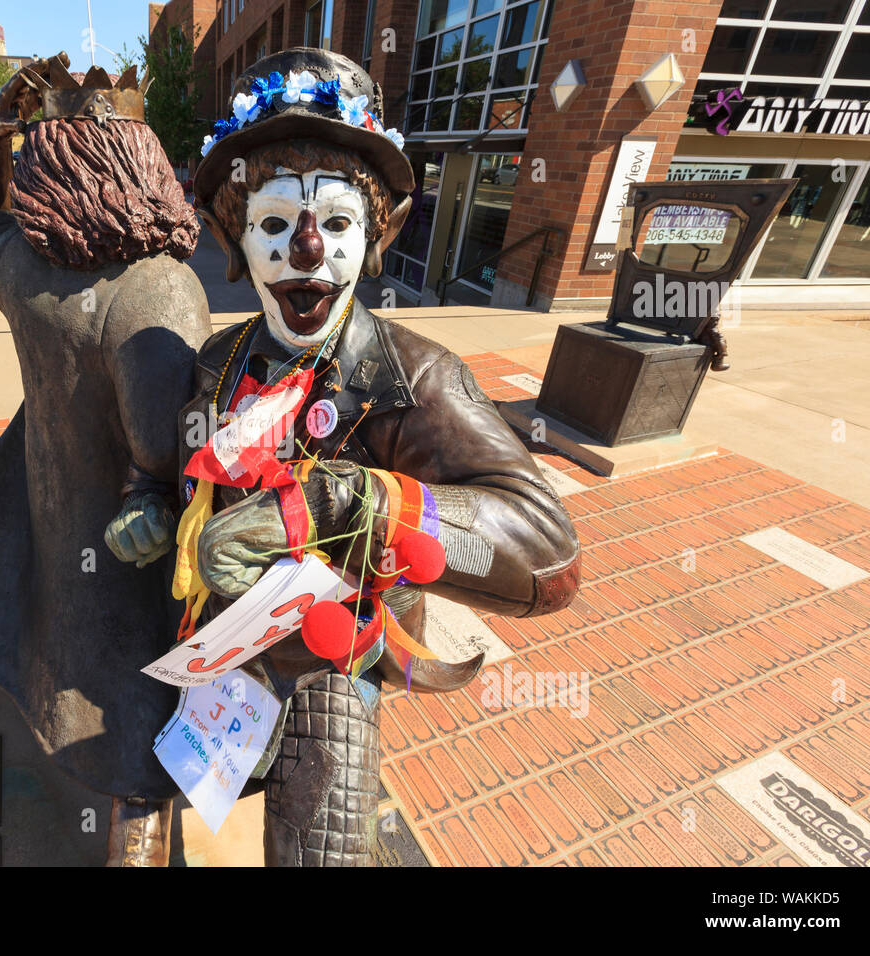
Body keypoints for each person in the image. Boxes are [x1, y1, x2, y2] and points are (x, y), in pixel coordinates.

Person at [174, 48, 581, 866]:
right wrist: (156, 514)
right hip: (217, 648)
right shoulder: (217, 363)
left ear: (378, 236)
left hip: (337, 654)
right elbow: (186, 477)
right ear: (235, 237)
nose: (309, 250)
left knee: (320, 849)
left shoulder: (419, 376)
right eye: (276, 222)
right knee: (175, 793)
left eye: (337, 223)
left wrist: (356, 503)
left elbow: (550, 553)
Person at [0, 55, 212, 865]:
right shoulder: (159, 290)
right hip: (133, 559)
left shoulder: (26, 273)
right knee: (134, 715)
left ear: (56, 168)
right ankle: (138, 822)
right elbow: (164, 449)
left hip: (54, 525)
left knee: (69, 659)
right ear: (140, 162)